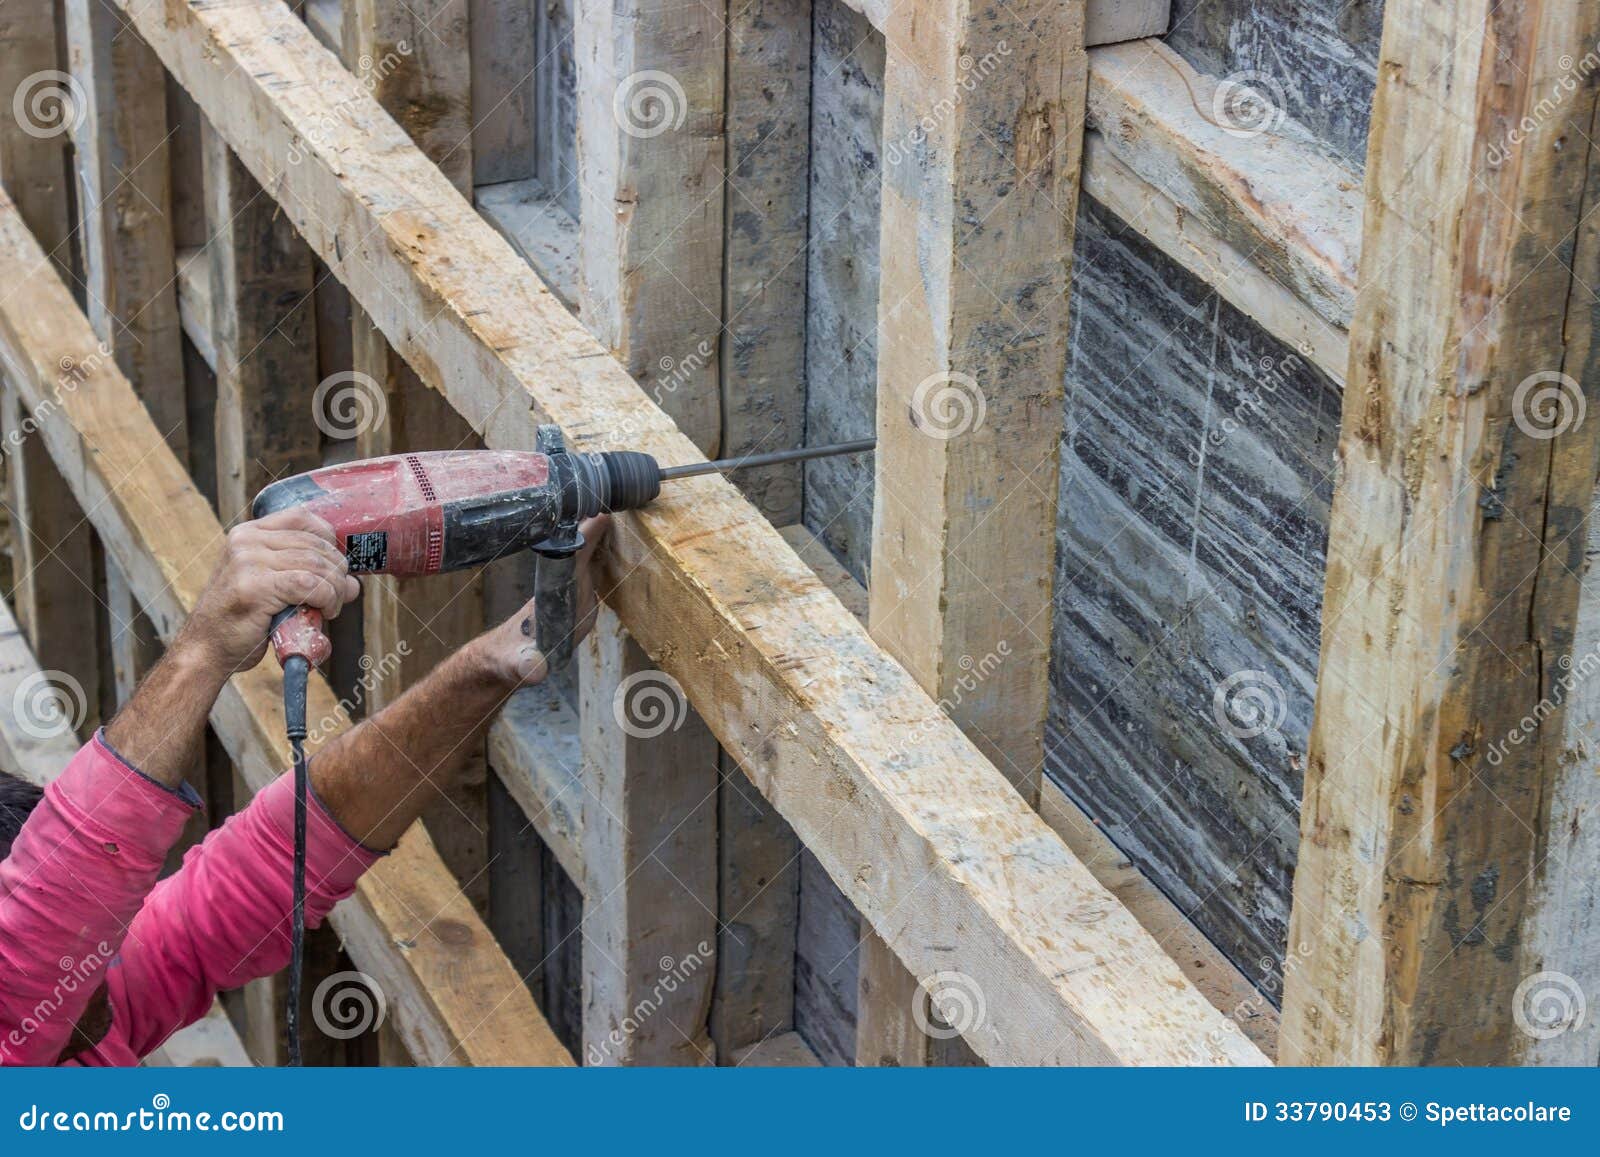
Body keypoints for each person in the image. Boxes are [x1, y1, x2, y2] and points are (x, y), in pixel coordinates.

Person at [0, 506, 608, 1065]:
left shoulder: (80, 1019)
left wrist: (491, 666)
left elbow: (268, 861)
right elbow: (56, 901)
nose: (103, 959)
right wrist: (204, 649)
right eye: (71, 955)